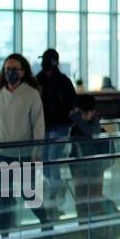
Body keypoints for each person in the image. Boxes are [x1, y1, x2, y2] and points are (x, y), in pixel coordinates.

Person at [0, 53, 49, 233]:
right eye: (7, 69)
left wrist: (37, 151)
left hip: (24, 154)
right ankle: (5, 236)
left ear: (22, 72)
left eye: (14, 69)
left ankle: (46, 224)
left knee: (27, 193)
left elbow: (38, 124)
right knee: (3, 196)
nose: (10, 73)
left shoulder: (31, 94)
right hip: (1, 153)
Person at [37, 49, 77, 214]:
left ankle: (56, 189)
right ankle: (56, 186)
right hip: (44, 124)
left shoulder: (63, 81)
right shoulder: (38, 79)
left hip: (60, 124)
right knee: (45, 157)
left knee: (53, 156)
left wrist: (67, 115)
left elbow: (71, 100)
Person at [68, 95, 116, 219]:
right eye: (80, 113)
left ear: (93, 112)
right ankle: (84, 228)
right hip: (80, 169)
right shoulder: (75, 127)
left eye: (86, 113)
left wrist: (77, 119)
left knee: (94, 200)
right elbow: (73, 149)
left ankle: (99, 229)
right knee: (80, 202)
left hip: (95, 169)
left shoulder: (95, 125)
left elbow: (91, 133)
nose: (83, 116)